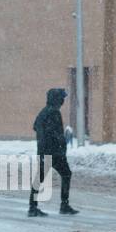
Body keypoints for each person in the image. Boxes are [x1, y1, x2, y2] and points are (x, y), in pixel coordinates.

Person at [29, 88, 77, 217]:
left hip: (45, 151)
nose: (63, 101)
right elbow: (55, 134)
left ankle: (33, 207)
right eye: (62, 98)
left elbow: (35, 126)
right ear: (57, 99)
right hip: (54, 153)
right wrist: (62, 140)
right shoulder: (54, 113)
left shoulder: (43, 112)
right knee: (65, 174)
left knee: (40, 179)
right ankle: (63, 205)